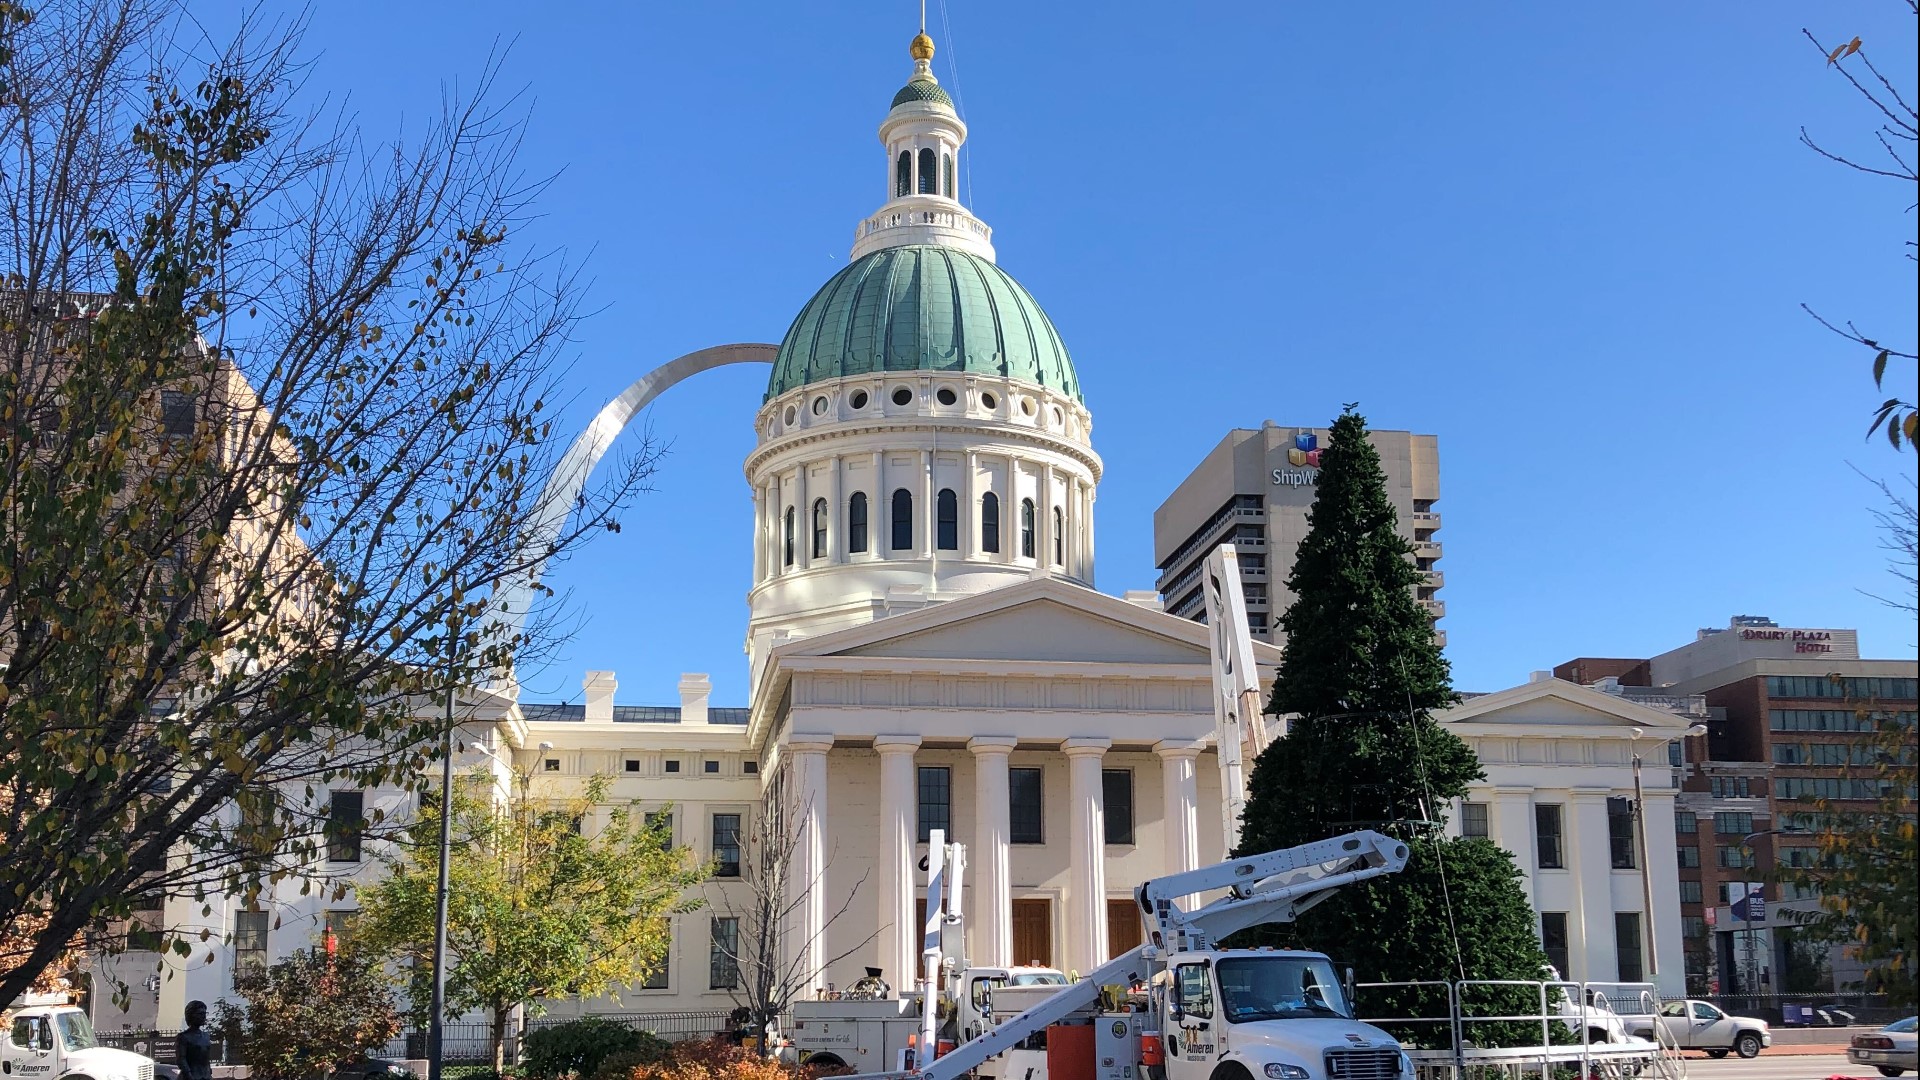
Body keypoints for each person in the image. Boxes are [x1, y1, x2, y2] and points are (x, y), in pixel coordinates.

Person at [177, 1000, 214, 1080]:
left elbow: (206, 1059)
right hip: (191, 1077)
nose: (203, 1016)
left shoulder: (206, 1036)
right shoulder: (184, 1037)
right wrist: (189, 1076)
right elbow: (181, 1059)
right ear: (191, 1015)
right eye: (200, 1014)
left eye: (205, 1014)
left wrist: (209, 1074)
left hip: (205, 1076)